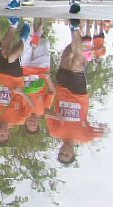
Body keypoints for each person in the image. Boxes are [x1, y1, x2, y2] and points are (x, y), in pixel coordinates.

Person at [46, 20, 107, 162]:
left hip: (61, 89)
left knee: (67, 55)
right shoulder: (84, 137)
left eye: (61, 153)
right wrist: (104, 130)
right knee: (77, 62)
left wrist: (55, 116)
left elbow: (44, 112)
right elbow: (103, 132)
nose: (64, 151)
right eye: (67, 154)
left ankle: (75, 34)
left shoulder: (55, 132)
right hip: (79, 94)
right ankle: (75, 29)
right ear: (73, 154)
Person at [0, 19, 35, 145]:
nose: (0, 132)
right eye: (2, 135)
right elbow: (32, 105)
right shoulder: (19, 119)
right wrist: (22, 93)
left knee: (4, 51)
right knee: (12, 56)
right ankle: (23, 37)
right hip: (15, 80)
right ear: (8, 134)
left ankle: (13, 24)